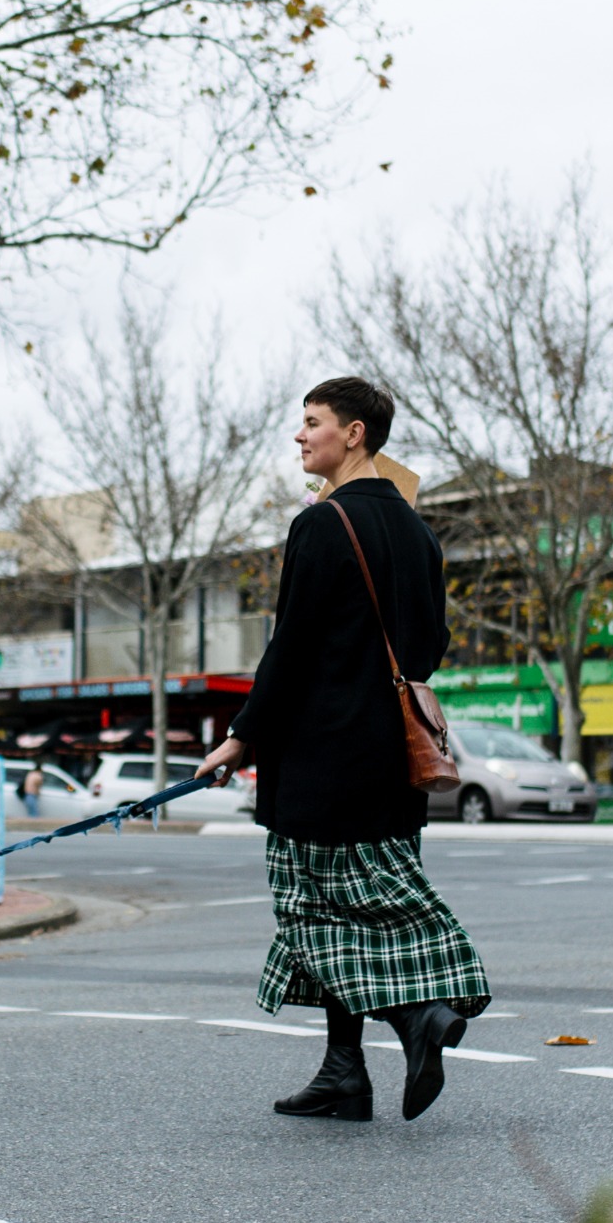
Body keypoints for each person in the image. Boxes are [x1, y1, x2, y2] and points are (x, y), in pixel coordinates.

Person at [197, 376, 489, 1123]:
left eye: (313, 423)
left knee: (312, 909)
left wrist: (242, 735)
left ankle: (416, 1016)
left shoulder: (322, 524)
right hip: (396, 759)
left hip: (321, 759)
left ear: (354, 434)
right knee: (360, 907)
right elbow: (431, 646)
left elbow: (290, 647)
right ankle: (343, 1071)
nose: (300, 437)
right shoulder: (419, 532)